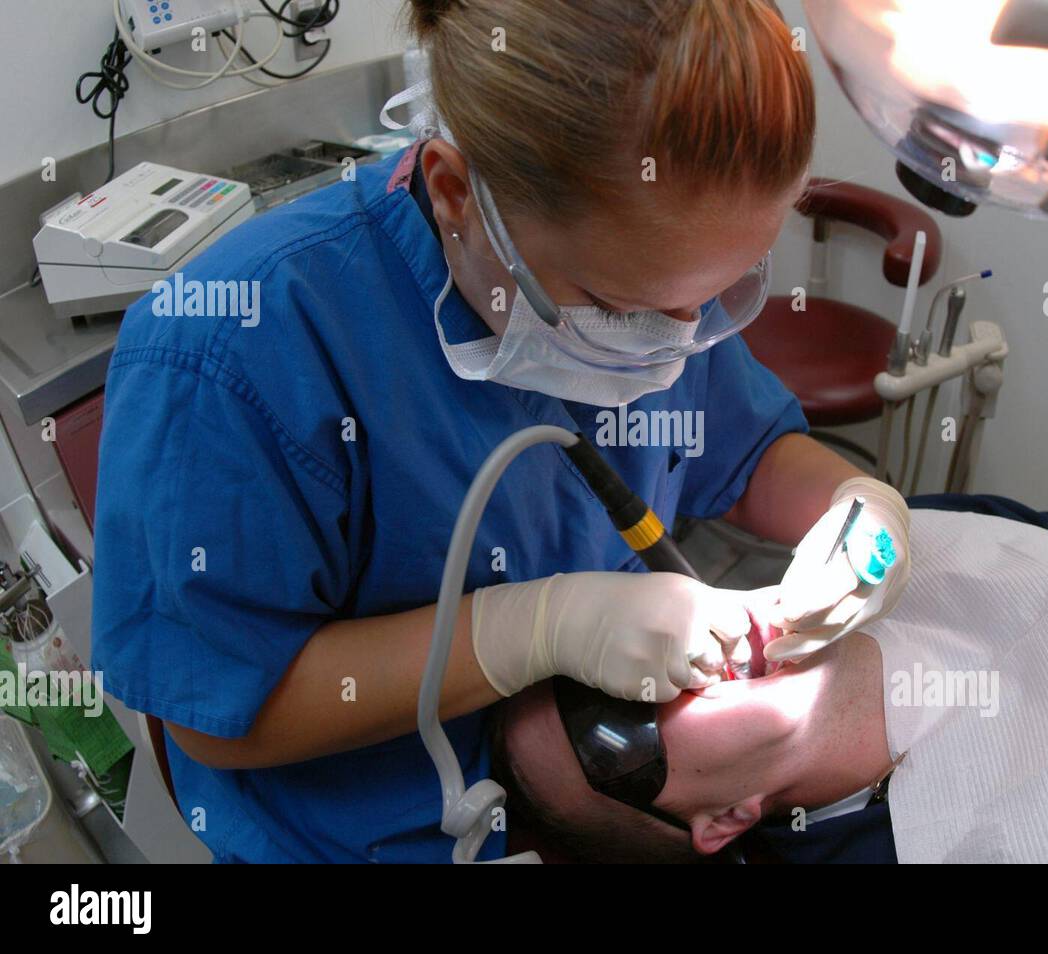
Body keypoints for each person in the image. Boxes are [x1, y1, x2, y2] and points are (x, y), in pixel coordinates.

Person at [90, 0, 911, 863]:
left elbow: (746, 450)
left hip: (578, 814)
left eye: (712, 299)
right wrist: (527, 628)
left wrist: (859, 507)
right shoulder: (236, 349)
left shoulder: (657, 275)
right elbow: (220, 715)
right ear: (453, 192)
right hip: (376, 833)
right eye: (623, 309)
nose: (676, 340)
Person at [493, 496, 1048, 863]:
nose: (650, 666)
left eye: (608, 641)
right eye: (614, 722)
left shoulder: (881, 547)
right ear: (722, 821)